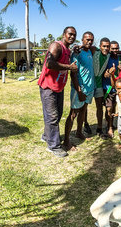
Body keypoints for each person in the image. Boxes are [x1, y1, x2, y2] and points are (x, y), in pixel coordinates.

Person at [37, 26, 77, 157]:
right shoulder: (56, 46)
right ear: (64, 34)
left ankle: (47, 136)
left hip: (58, 87)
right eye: (70, 34)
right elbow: (49, 63)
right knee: (52, 116)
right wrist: (69, 67)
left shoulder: (67, 50)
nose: (72, 37)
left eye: (74, 35)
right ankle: (53, 146)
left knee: (57, 114)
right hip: (48, 87)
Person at [62, 31, 95, 151]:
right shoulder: (77, 53)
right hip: (80, 88)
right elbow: (73, 74)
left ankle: (79, 133)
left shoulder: (90, 51)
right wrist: (79, 90)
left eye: (91, 40)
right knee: (73, 113)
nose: (89, 42)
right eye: (87, 39)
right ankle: (66, 140)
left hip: (90, 88)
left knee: (83, 111)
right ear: (82, 39)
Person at [92, 38, 112, 138]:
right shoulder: (95, 51)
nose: (106, 48)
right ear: (100, 46)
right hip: (90, 83)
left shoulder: (109, 55)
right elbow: (87, 46)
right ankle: (85, 125)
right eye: (104, 46)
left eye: (108, 46)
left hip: (99, 85)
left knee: (99, 106)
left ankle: (99, 127)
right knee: (83, 107)